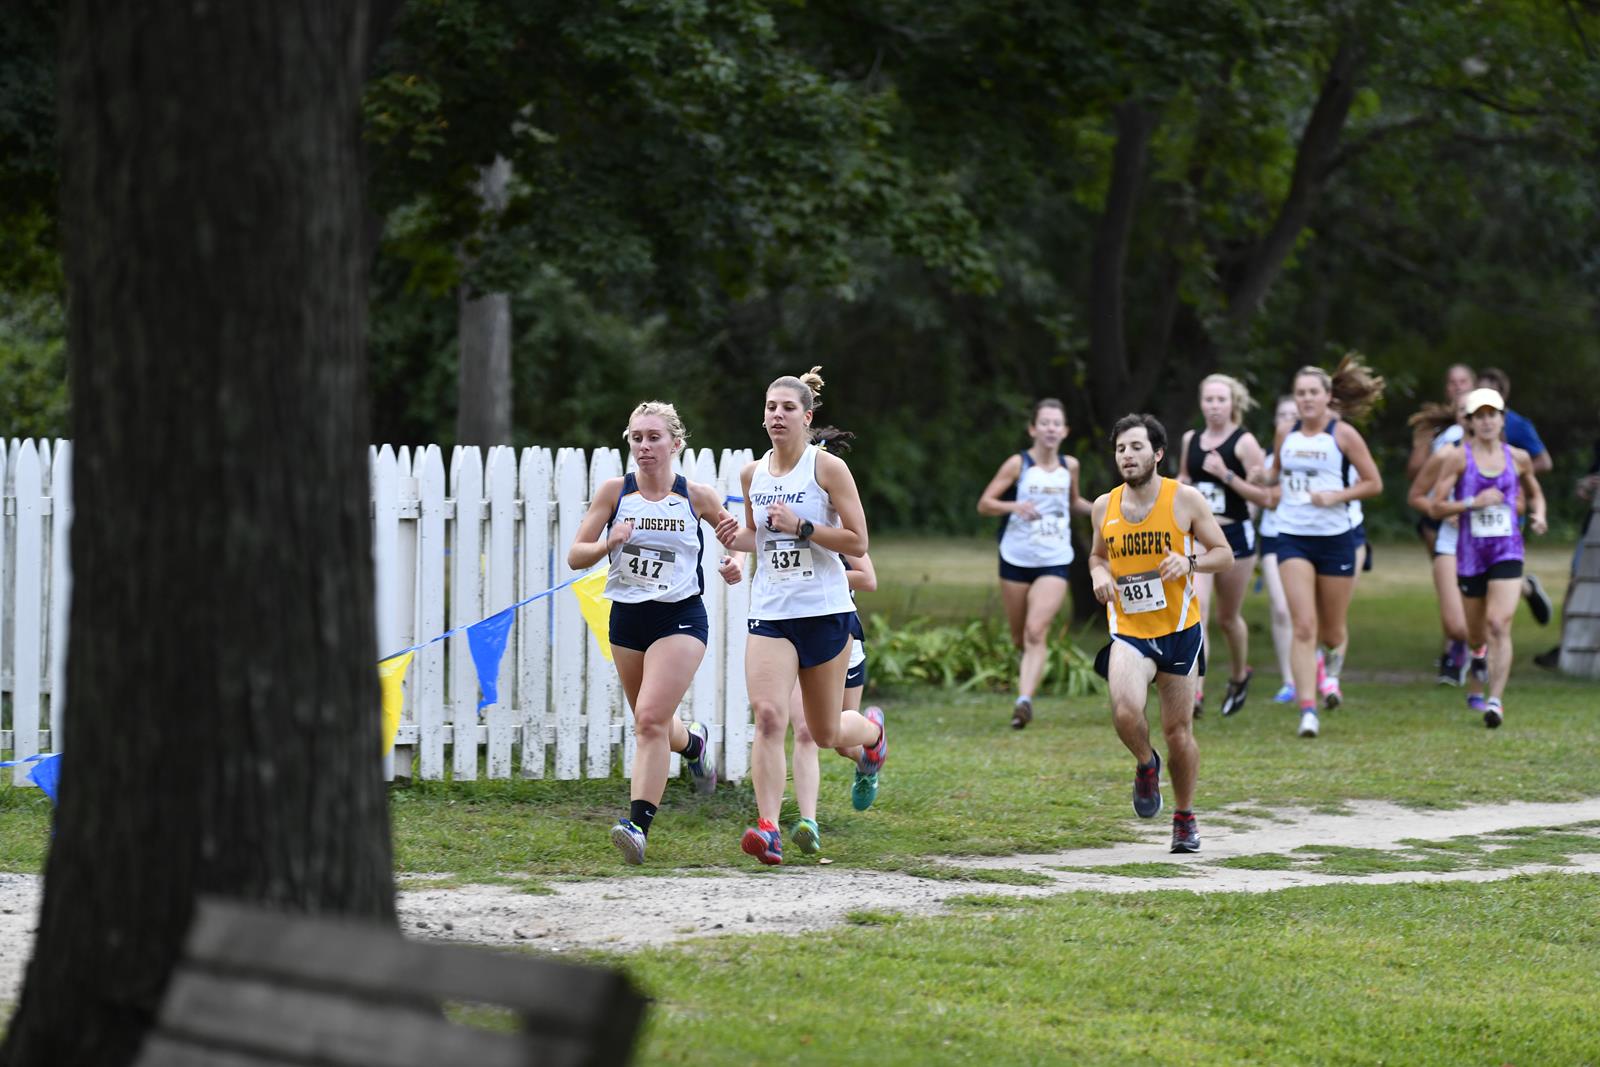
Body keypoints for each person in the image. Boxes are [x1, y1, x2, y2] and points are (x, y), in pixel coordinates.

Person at [716, 367, 886, 866]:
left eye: (788, 408)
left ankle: (872, 737)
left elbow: (858, 542)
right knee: (769, 717)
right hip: (771, 610)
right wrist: (733, 544)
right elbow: (757, 537)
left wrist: (805, 525)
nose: (777, 415)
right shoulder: (752, 474)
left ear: (807, 417)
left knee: (826, 732)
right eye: (770, 407)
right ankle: (769, 828)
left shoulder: (826, 469)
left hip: (825, 611)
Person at [567, 401, 744, 865]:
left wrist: (734, 563)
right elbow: (576, 555)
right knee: (659, 724)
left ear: (675, 443)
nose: (644, 447)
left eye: (654, 437)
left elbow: (739, 538)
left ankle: (636, 827)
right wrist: (610, 540)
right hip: (626, 619)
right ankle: (695, 744)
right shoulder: (614, 492)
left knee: (647, 719)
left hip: (680, 617)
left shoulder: (697, 496)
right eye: (637, 438)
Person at [1089, 414, 1233, 853]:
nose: (1127, 456)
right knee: (1126, 713)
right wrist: (1099, 575)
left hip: (1179, 631)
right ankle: (1145, 763)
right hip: (1130, 630)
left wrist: (1189, 563)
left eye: (1136, 448)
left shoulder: (1183, 500)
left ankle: (1185, 817)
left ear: (1157, 454)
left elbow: (1224, 554)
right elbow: (1098, 556)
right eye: (1120, 450)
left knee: (1179, 733)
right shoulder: (1104, 506)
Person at [1262, 355, 1385, 738]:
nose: (1306, 399)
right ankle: (1307, 709)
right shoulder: (1286, 433)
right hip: (1292, 537)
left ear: (1328, 396)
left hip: (1336, 540)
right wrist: (1258, 475)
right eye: (1300, 393)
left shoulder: (1343, 434)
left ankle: (1331, 668)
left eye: (1313, 392)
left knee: (1331, 632)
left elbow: (1373, 483)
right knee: (1303, 625)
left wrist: (1336, 496)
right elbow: (1276, 475)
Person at [1428, 388, 1547, 727]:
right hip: (1471, 555)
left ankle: (1495, 701)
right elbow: (1436, 506)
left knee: (1499, 623)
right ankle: (1478, 655)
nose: (1486, 421)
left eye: (1491, 415)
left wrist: (1538, 515)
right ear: (1469, 421)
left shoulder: (1518, 457)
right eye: (1478, 416)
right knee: (1475, 632)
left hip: (1507, 550)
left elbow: (1536, 493)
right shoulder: (1457, 458)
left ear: (1501, 419)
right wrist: (1470, 504)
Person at [977, 398, 1091, 728]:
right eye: (1045, 422)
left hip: (1055, 558)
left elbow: (1074, 503)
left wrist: (1105, 506)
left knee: (1035, 631)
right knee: (1019, 638)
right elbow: (985, 504)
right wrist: (1015, 507)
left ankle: (1023, 701)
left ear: (1065, 431)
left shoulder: (1071, 466)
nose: (1051, 428)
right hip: (1016, 556)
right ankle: (1025, 688)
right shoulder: (1019, 464)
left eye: (1057, 423)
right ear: (1033, 428)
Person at [1177, 374, 1266, 717]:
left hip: (1234, 536)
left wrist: (1227, 474)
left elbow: (1264, 495)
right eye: (1208, 400)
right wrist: (1183, 483)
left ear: (1233, 404)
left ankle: (1239, 675)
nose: (1214, 407)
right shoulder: (1191, 439)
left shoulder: (1244, 442)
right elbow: (1186, 476)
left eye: (1220, 400)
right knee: (1196, 613)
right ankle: (1195, 692)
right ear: (1201, 403)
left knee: (1228, 619)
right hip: (1199, 537)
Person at [787, 550, 880, 856]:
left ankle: (872, 745)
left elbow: (868, 579)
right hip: (790, 633)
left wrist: (820, 578)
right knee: (805, 732)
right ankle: (808, 823)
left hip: (840, 637)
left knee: (839, 740)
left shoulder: (838, 526)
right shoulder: (778, 523)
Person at [1476, 367, 1555, 627]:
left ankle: (1491, 640)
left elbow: (1543, 461)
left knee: (1497, 575)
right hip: (1472, 513)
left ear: (1503, 396)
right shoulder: (1468, 423)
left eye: (1492, 391)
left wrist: (1512, 474)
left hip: (1506, 510)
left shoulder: (1518, 425)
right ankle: (1525, 587)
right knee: (1481, 579)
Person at [1407, 398, 1473, 685]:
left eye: (1485, 414)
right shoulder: (1447, 453)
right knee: (1457, 626)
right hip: (1451, 543)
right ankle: (1473, 650)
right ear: (1459, 417)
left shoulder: (1509, 456)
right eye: (1467, 412)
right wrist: (1445, 511)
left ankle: (1479, 671)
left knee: (1493, 623)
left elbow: (1519, 502)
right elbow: (1417, 497)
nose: (1476, 420)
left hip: (1491, 547)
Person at [1247, 397, 1299, 703]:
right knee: (1280, 609)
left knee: (1307, 611)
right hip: (1273, 538)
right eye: (1283, 416)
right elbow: (1257, 502)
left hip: (1309, 537)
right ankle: (1288, 680)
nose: (1289, 421)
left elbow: (1273, 496)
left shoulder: (1319, 454)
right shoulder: (1267, 463)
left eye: (1294, 415)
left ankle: (1314, 664)